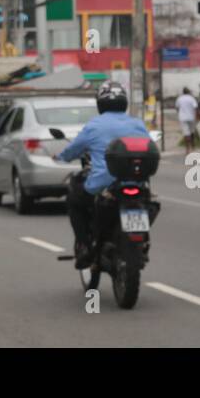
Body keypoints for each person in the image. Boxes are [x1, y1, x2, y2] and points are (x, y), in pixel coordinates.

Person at [54, 81, 150, 268]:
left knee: (74, 199)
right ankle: (142, 243)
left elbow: (73, 150)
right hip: (138, 183)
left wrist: (60, 157)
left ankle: (83, 244)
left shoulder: (94, 126)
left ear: (100, 104)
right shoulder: (137, 124)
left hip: (103, 185)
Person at [175, 86, 199, 152]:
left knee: (186, 133)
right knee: (192, 132)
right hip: (191, 117)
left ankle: (187, 148)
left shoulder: (179, 98)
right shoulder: (191, 98)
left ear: (183, 92)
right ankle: (193, 146)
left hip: (182, 118)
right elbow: (196, 107)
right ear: (188, 92)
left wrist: (179, 113)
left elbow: (177, 108)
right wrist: (197, 116)